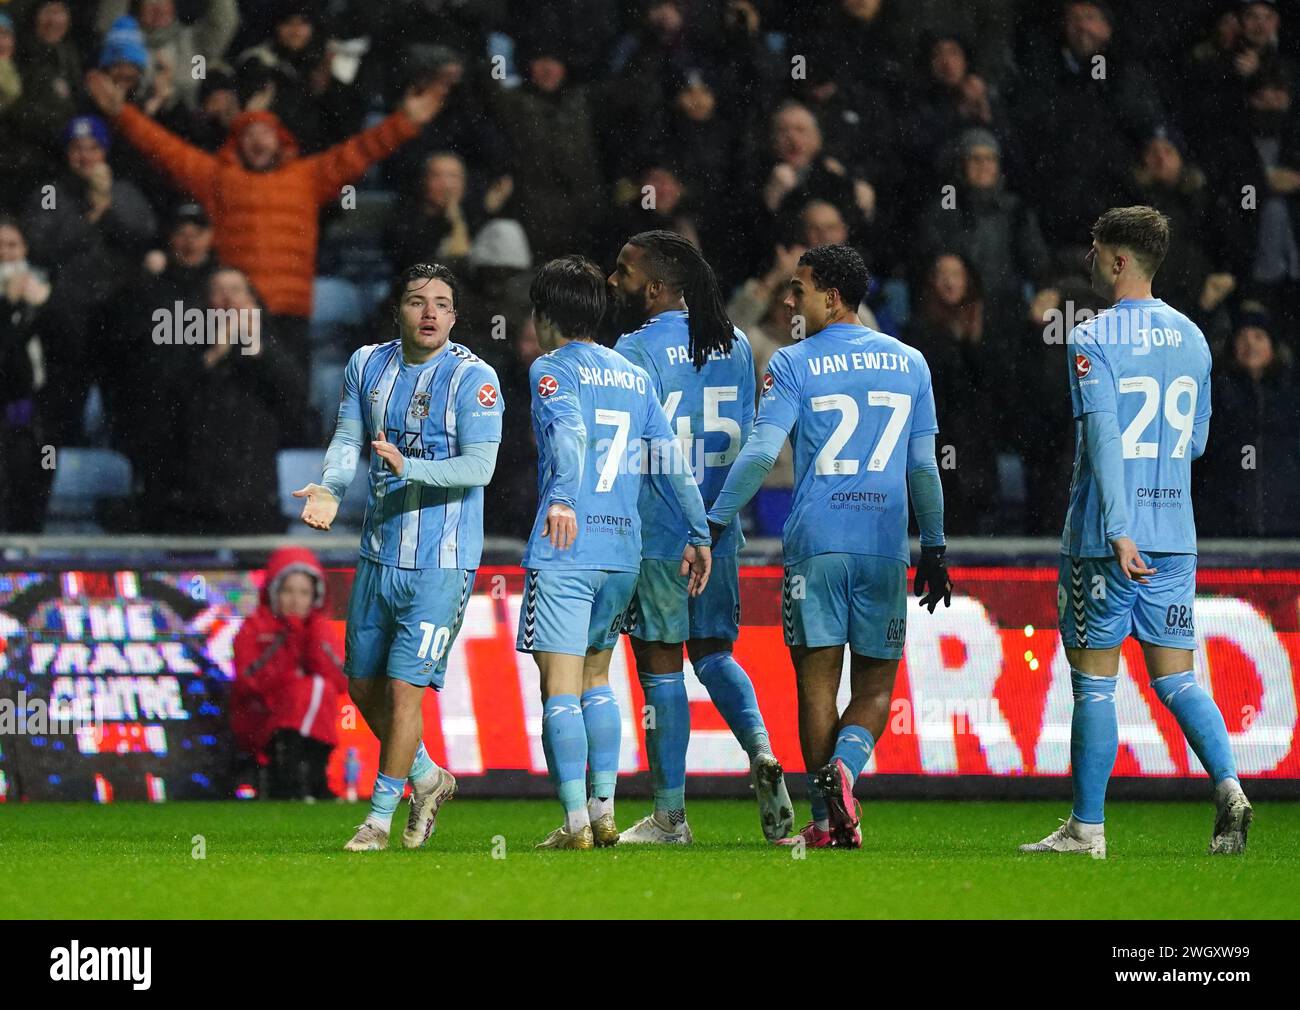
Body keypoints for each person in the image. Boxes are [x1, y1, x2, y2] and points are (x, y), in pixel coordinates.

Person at [1020, 206, 1252, 859]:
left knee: (1094, 684)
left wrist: (1119, 530)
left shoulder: (1094, 338)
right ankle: (1230, 787)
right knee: (1176, 681)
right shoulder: (1193, 338)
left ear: (1120, 260)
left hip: (1105, 539)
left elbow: (1103, 441)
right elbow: (1198, 440)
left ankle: (1087, 829)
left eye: (1095, 250)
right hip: (1175, 532)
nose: (1089, 260)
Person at [705, 244, 952, 849]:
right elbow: (924, 467)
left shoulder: (793, 363)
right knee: (873, 691)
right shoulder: (911, 362)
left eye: (801, 288)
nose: (790, 299)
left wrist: (713, 521)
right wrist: (936, 548)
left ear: (832, 297)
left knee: (816, 687)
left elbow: (763, 452)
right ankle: (845, 771)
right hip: (884, 547)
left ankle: (822, 816)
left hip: (817, 543)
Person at [292, 262, 503, 852]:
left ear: (455, 317)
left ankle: (379, 819)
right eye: (417, 301)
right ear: (399, 312)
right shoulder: (368, 364)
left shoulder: (474, 378)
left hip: (443, 561)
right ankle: (429, 777)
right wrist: (332, 487)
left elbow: (480, 468)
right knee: (363, 688)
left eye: (441, 302)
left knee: (405, 690)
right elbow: (347, 439)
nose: (430, 311)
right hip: (379, 554)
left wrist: (412, 468)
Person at [519, 254, 712, 850]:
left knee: (559, 686)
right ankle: (603, 811)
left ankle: (575, 823)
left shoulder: (551, 368)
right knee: (598, 678)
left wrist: (561, 499)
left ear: (545, 314)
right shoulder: (633, 374)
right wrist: (699, 531)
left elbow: (570, 434)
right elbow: (672, 460)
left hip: (567, 547)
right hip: (622, 553)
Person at [607, 230, 792, 844]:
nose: (615, 282)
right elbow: (746, 435)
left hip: (660, 532)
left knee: (660, 672)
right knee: (714, 655)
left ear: (655, 287)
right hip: (719, 526)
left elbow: (636, 447)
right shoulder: (736, 343)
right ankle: (761, 750)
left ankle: (670, 817)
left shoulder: (632, 351)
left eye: (624, 272)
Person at [84, 66, 446, 369]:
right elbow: (164, 149)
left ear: (280, 141)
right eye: (250, 135)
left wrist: (404, 122)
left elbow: (360, 152)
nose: (258, 142)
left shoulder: (308, 176)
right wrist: (121, 113)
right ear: (237, 143)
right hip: (234, 312)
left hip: (289, 312)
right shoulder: (218, 178)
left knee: (287, 403)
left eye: (266, 134)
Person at [231, 545, 346, 800]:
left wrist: (315, 640)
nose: (296, 600)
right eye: (288, 591)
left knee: (317, 688)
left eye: (304, 592)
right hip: (260, 718)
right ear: (274, 591)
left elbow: (341, 681)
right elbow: (249, 681)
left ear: (314, 596)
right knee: (308, 689)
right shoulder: (255, 628)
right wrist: (287, 640)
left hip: (301, 723)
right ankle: (299, 777)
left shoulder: (320, 629)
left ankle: (308, 775)